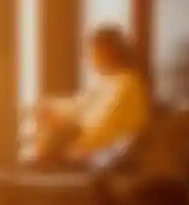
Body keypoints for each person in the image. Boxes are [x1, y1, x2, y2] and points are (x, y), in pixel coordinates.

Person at [32, 26, 150, 167]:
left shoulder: (126, 85)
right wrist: (50, 108)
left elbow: (103, 131)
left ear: (107, 52)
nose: (88, 59)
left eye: (91, 53)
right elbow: (78, 105)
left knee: (52, 141)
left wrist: (74, 145)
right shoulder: (107, 83)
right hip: (90, 150)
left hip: (106, 158)